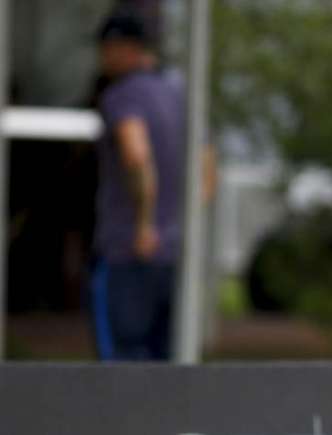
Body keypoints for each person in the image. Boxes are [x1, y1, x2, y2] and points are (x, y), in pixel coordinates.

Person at [90, 9, 184, 360]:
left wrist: (145, 224)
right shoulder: (177, 93)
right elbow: (207, 165)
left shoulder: (123, 96)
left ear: (122, 48)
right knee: (162, 367)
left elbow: (136, 155)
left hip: (128, 249)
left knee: (121, 365)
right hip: (172, 253)